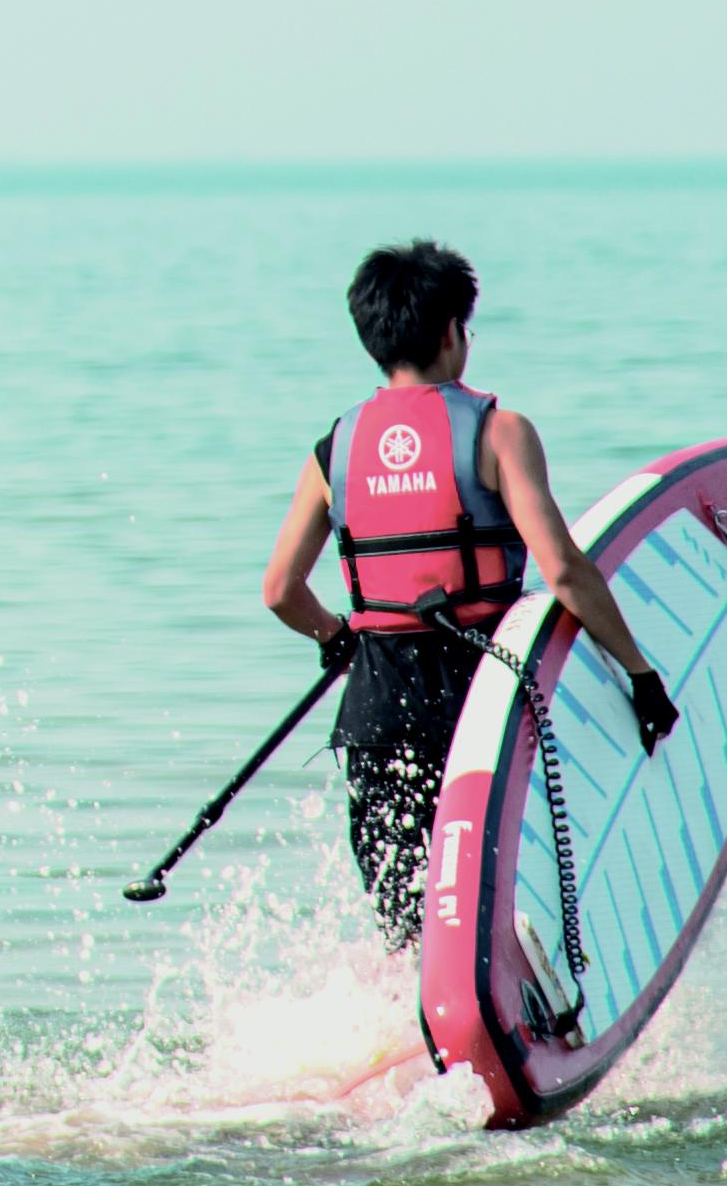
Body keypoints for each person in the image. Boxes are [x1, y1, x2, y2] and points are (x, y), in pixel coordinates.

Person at [258, 240, 672, 938]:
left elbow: (279, 591)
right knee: (492, 888)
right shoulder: (499, 432)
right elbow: (565, 570)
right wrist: (640, 672)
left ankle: (415, 1030)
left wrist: (338, 639)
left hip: (378, 704)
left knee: (408, 925)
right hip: (479, 690)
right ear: (453, 332)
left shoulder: (337, 447)